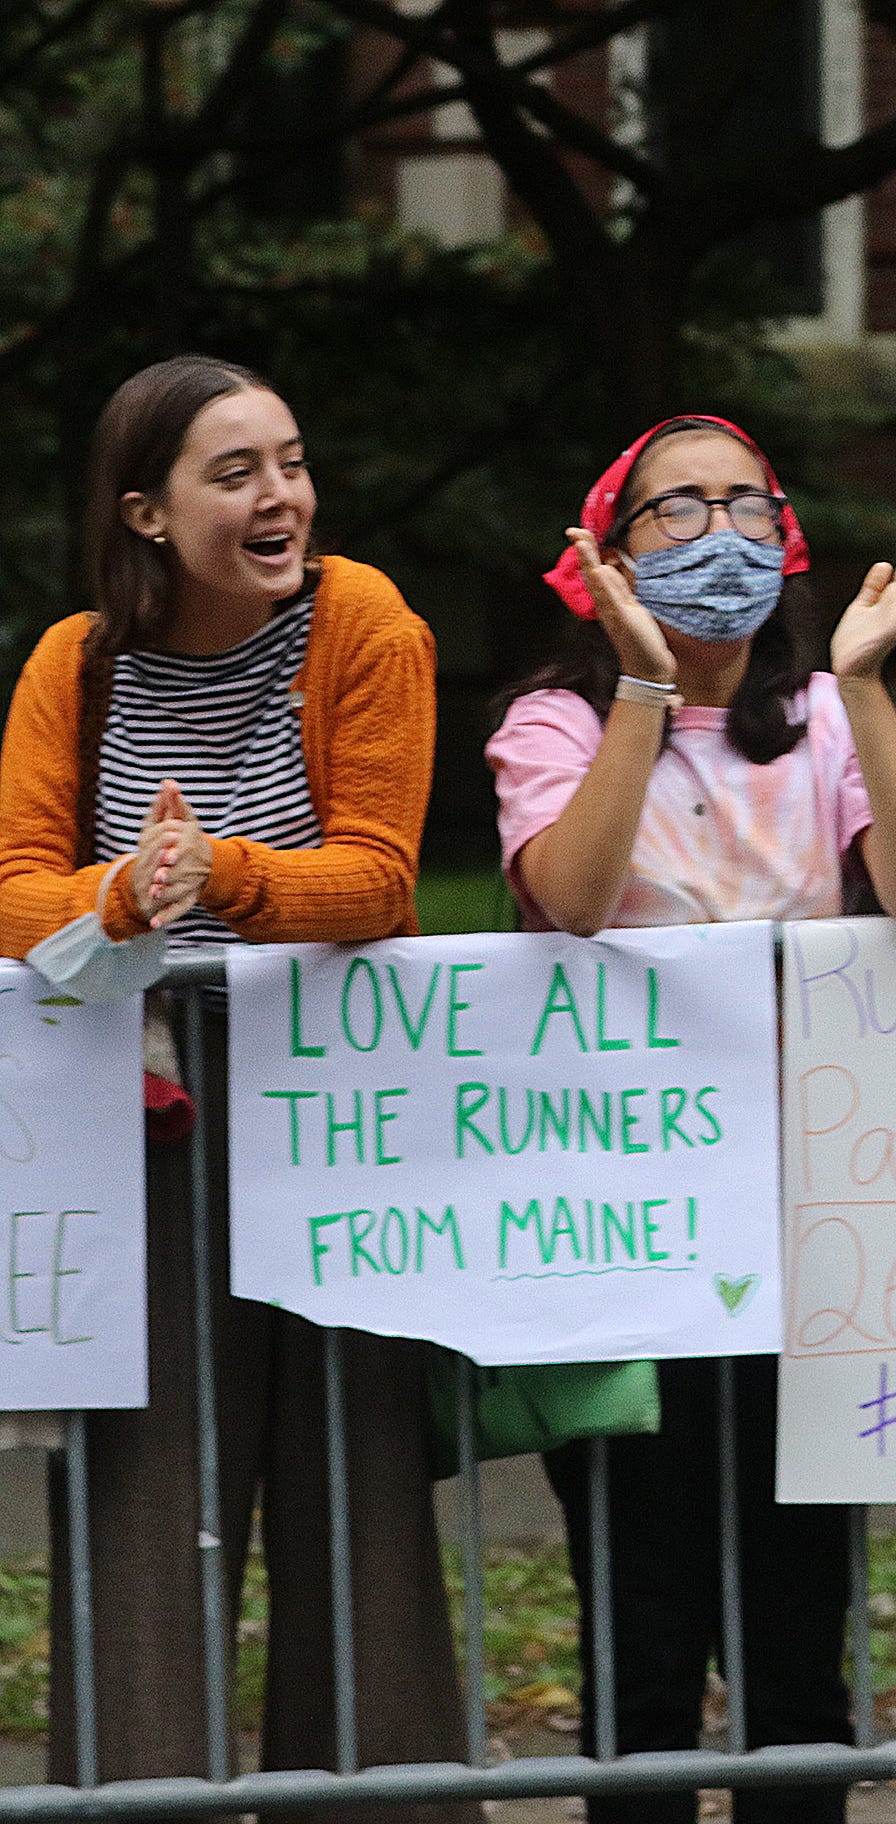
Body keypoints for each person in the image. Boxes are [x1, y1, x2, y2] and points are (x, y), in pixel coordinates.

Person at [0, 355, 469, 1815]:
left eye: (292, 462)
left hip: (340, 1117)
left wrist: (225, 877)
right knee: (143, 1502)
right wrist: (140, 897)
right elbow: (15, 897)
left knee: (361, 1500)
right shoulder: (73, 663)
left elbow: (382, 881)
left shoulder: (365, 619)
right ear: (145, 513)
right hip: (137, 1123)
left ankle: (382, 1796)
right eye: (234, 472)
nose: (281, 498)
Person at [489, 413, 896, 1824]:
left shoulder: (825, 722)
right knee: (642, 1658)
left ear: (788, 539)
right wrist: (643, 688)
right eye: (675, 512)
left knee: (796, 1664)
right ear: (609, 554)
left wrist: (865, 691)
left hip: (804, 1247)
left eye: (747, 508)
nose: (717, 537)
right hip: (622, 1253)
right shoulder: (552, 726)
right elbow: (569, 896)